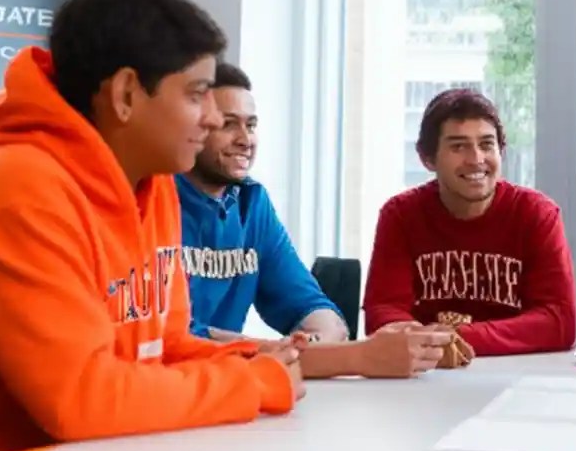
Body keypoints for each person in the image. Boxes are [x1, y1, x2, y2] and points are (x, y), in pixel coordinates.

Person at [0, 0, 304, 451]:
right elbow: (78, 400)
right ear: (126, 95)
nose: (210, 117)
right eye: (196, 94)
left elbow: (164, 346)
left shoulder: (152, 182)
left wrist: (253, 362)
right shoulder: (22, 190)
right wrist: (252, 383)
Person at [180, 62, 449, 378]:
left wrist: (310, 347)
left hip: (230, 393)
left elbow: (315, 309)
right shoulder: (158, 201)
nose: (245, 140)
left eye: (251, 126)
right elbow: (173, 339)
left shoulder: (252, 203)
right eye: (228, 124)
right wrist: (350, 357)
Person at [362, 88, 576, 356]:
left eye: (487, 144)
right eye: (458, 146)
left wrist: (449, 338)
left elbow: (558, 321)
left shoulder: (537, 214)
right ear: (427, 158)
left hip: (516, 375)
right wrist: (431, 346)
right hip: (426, 376)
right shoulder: (401, 215)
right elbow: (382, 313)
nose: (476, 159)